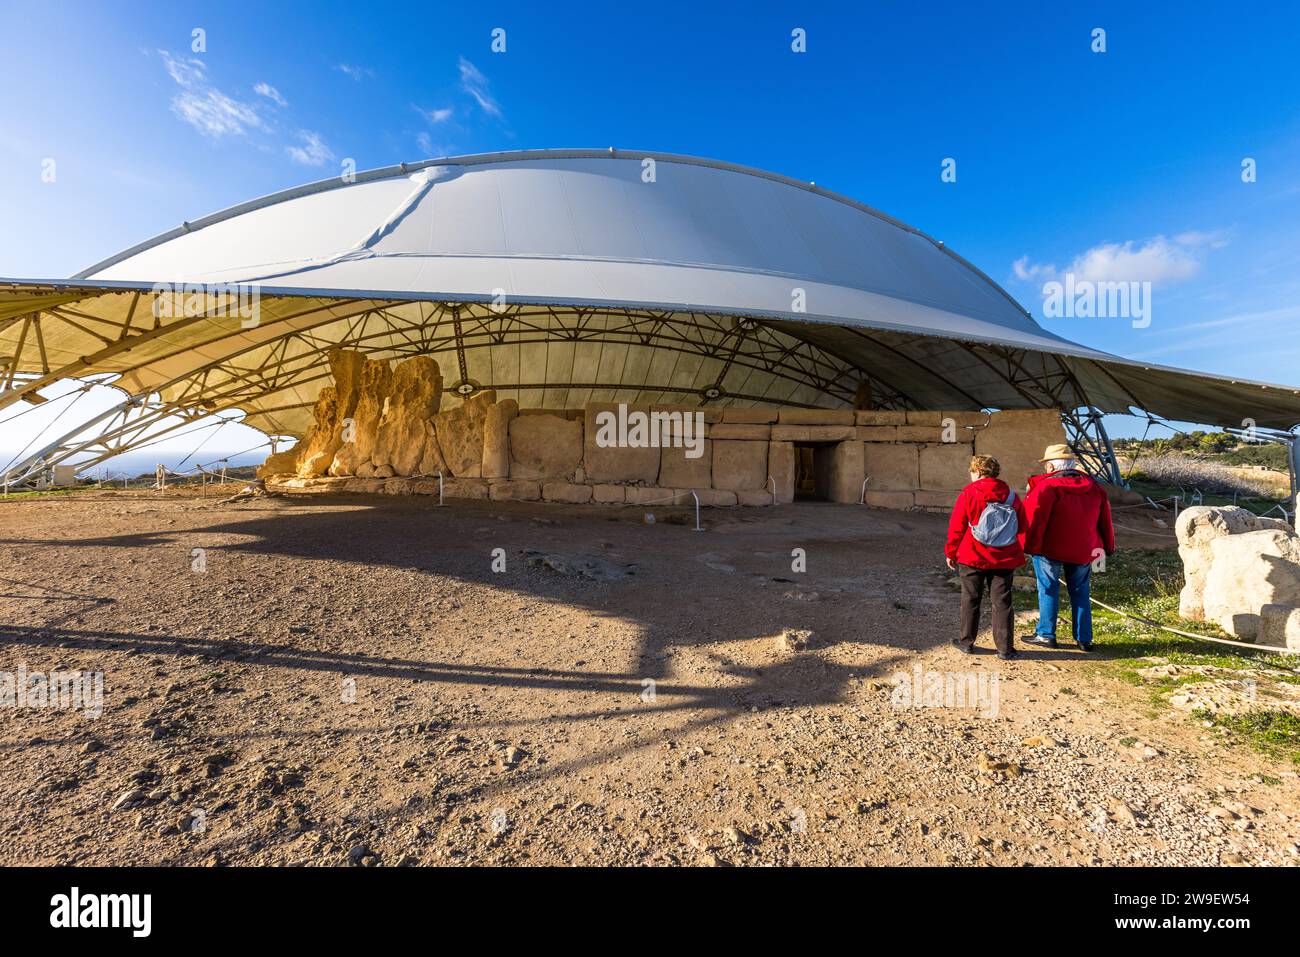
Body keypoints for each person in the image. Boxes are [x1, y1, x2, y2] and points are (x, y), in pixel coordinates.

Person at [1021, 443, 1116, 651]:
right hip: (1084, 549)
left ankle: (1046, 634)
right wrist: (1108, 546)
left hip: (1049, 548)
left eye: (1047, 465)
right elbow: (1105, 521)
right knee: (1080, 591)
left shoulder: (1046, 487)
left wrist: (1028, 546)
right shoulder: (1095, 487)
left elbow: (1036, 520)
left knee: (1048, 588)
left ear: (1052, 467)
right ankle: (1084, 638)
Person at [944, 454, 1027, 659]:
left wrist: (951, 551)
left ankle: (967, 642)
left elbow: (957, 526)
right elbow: (1023, 526)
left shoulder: (969, 493)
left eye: (972, 471)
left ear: (978, 472)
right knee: (1002, 602)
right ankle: (1005, 648)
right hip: (1004, 557)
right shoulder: (1011, 496)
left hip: (973, 555)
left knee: (971, 599)